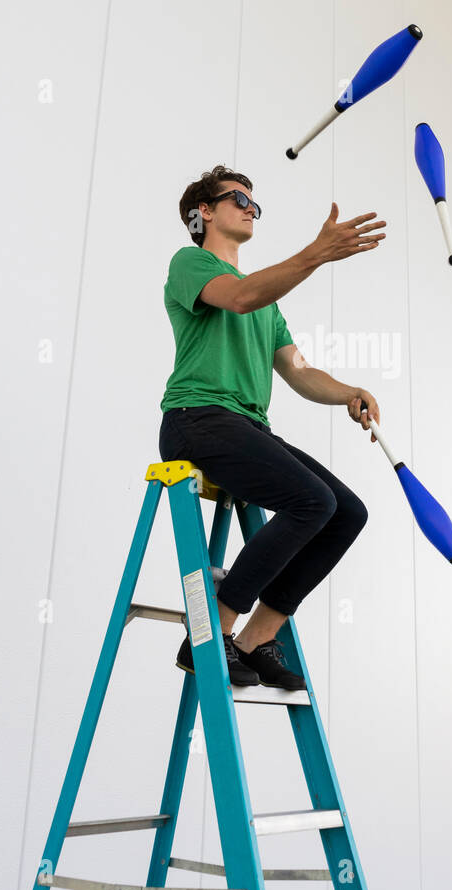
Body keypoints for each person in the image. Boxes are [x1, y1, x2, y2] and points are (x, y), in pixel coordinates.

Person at [158, 165, 385, 691]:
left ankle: (256, 639)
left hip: (247, 427)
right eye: (236, 198)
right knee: (312, 501)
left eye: (254, 204)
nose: (248, 207)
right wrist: (316, 253)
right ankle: (209, 629)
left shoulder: (268, 301)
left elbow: (300, 372)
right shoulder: (190, 264)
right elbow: (238, 297)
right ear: (202, 213)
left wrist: (348, 391)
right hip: (199, 418)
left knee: (347, 512)